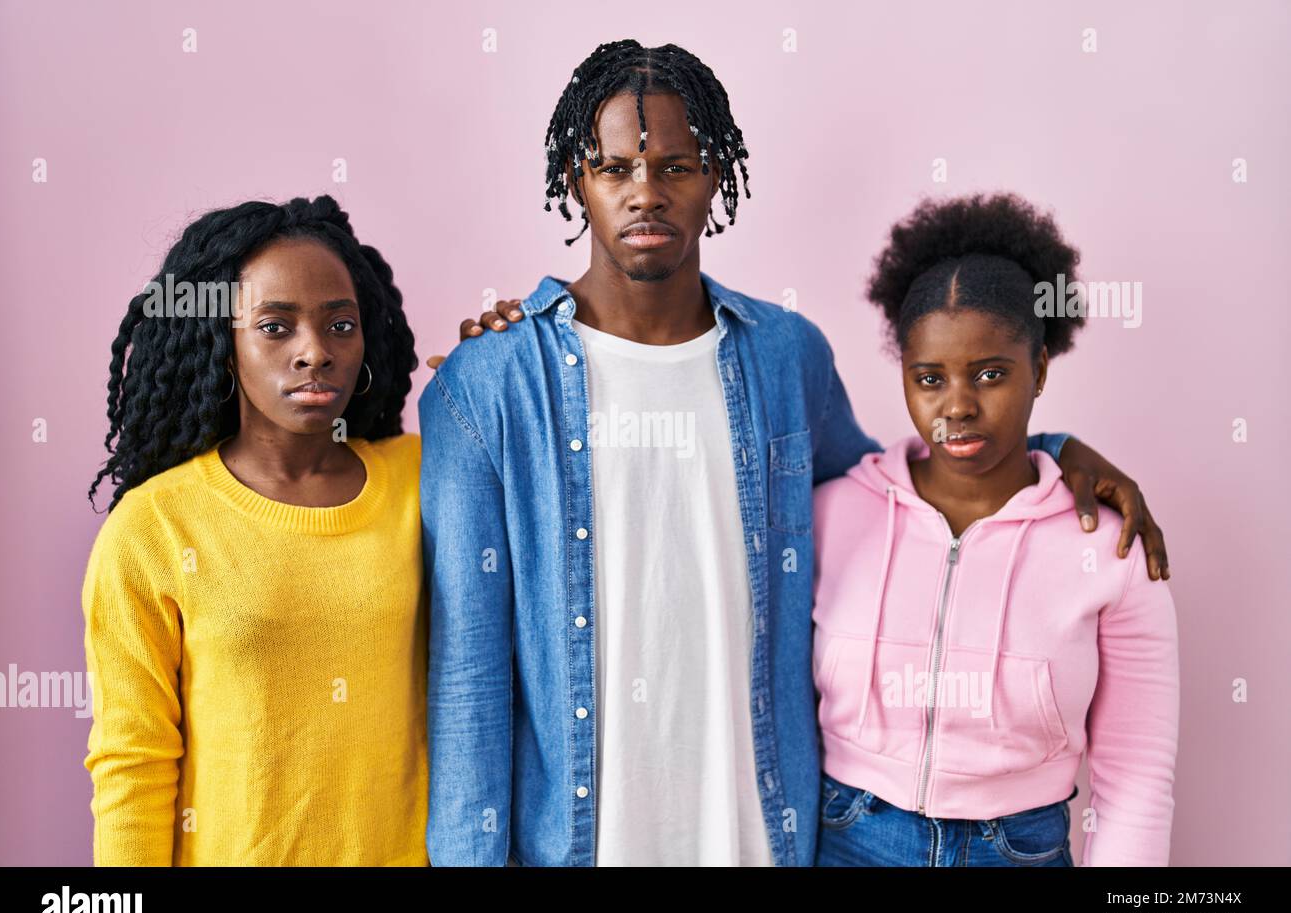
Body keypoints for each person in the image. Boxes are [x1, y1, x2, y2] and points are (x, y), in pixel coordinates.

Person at [420, 40, 1168, 867]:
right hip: (578, 841)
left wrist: (1051, 450)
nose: (646, 193)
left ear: (718, 177)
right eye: (614, 168)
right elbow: (468, 684)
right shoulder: (485, 387)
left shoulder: (786, 356)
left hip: (767, 837)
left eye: (677, 166)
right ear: (575, 180)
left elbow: (902, 488)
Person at [812, 193, 1179, 866]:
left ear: (1039, 369)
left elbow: (1136, 783)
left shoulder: (1111, 545)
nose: (957, 405)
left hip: (1018, 848)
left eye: (990, 374)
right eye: (930, 378)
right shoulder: (832, 515)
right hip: (847, 838)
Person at [82, 195, 428, 865]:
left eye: (340, 325)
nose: (315, 353)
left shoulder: (425, 481)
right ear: (222, 340)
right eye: (275, 327)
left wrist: (505, 350)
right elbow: (133, 764)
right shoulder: (153, 528)